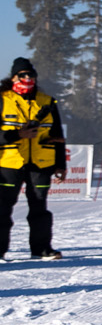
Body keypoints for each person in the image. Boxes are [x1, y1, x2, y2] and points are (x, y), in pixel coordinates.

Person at [0, 58, 69, 260]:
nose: (28, 78)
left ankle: (41, 249)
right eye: (23, 75)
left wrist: (61, 164)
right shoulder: (2, 99)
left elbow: (57, 135)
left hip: (41, 163)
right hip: (9, 162)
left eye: (31, 75)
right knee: (3, 208)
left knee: (40, 207)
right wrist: (18, 135)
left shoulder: (47, 101)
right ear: (13, 77)